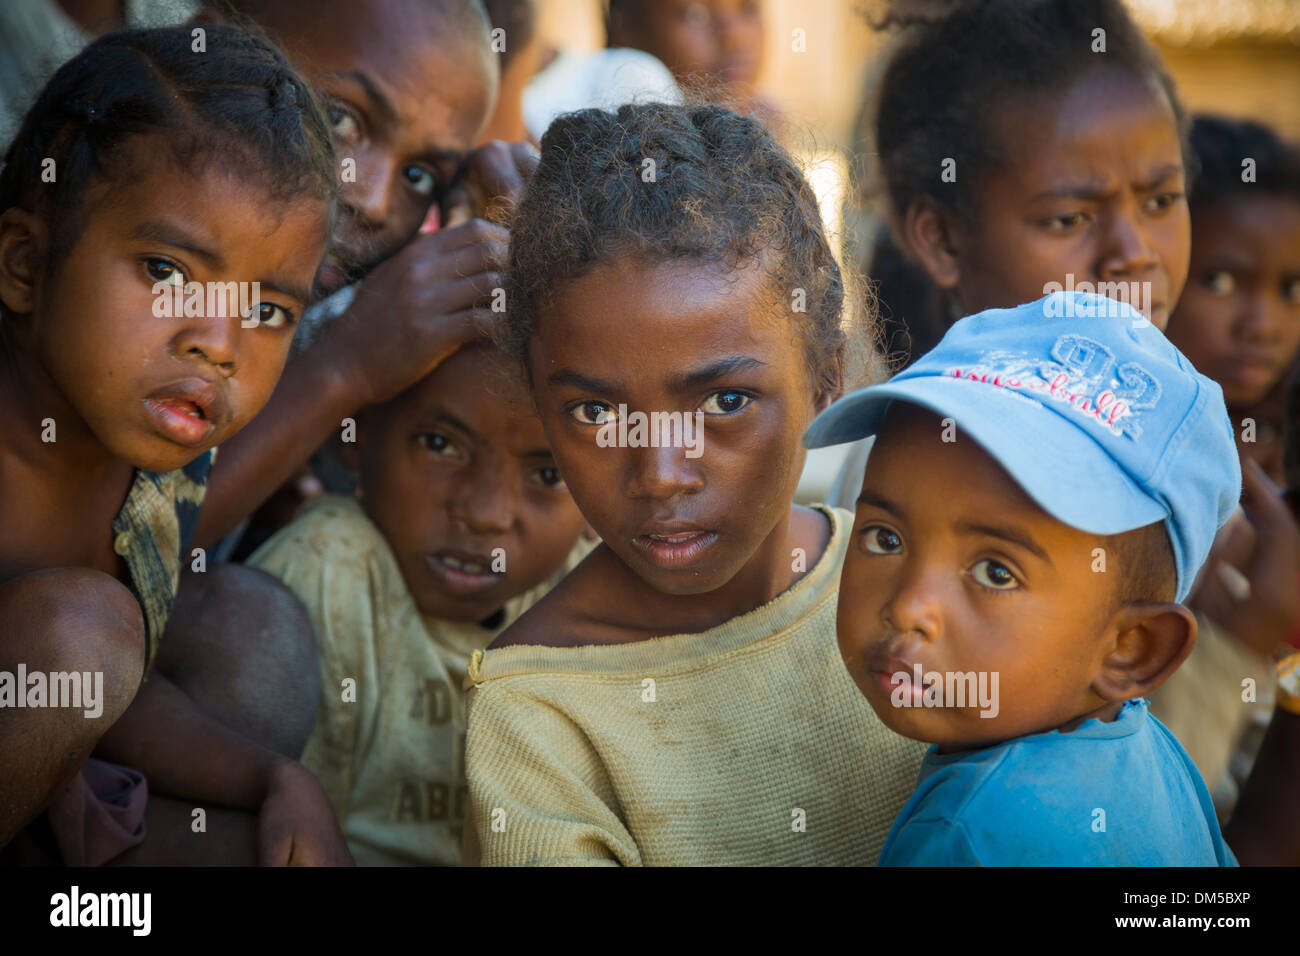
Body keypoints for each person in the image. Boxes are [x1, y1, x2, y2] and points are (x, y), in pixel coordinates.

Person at [462, 102, 925, 866]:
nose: (661, 475)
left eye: (725, 403)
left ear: (825, 379)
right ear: (540, 409)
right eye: (594, 412)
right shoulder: (539, 714)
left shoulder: (912, 595)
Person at [0, 24, 348, 864]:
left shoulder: (167, 468)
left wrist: (271, 778)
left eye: (267, 311)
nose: (219, 344)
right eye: (166, 272)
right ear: (24, 265)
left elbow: (102, 691)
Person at [806, 291, 1240, 865]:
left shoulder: (967, 832)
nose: (910, 607)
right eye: (887, 538)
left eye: (995, 572)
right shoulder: (1156, 757)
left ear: (1132, 649)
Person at [246, 343, 591, 865]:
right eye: (439, 444)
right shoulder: (328, 567)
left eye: (549, 476)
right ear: (356, 435)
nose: (485, 513)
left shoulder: (589, 585)